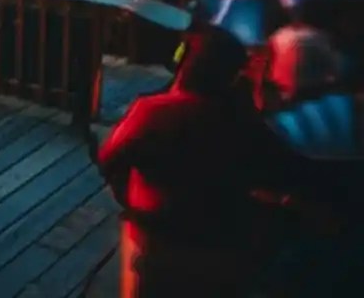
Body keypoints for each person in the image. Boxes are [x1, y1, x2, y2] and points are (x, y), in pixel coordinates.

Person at [98, 26, 291, 297]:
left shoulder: (152, 112)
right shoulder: (247, 123)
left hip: (157, 236)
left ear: (183, 61)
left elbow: (109, 159)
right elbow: (276, 176)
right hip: (224, 243)